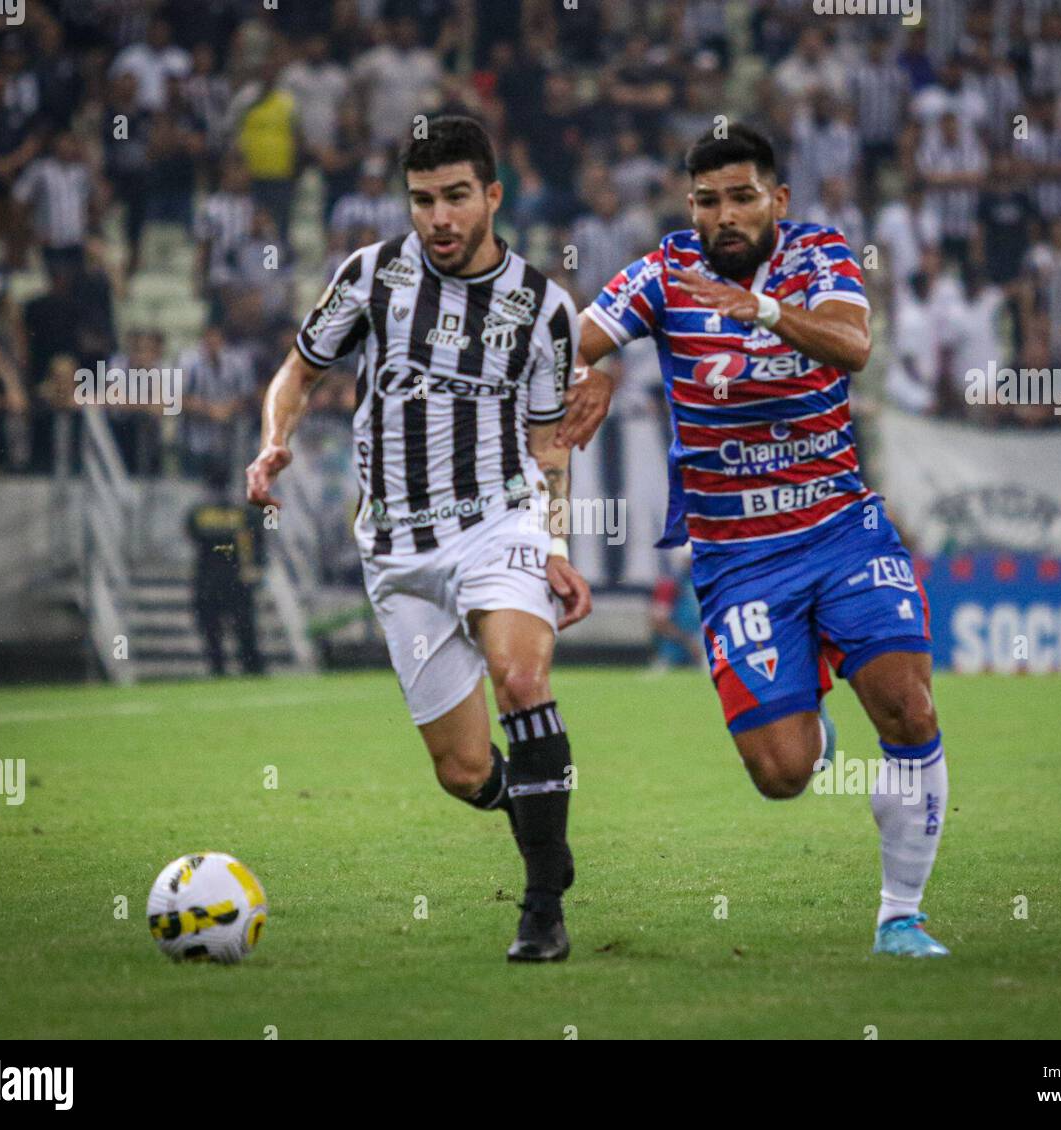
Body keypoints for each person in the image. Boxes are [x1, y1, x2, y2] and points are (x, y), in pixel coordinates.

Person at [559, 124, 951, 958]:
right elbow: (573, 340)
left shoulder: (820, 257)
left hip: (841, 526)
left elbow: (853, 347)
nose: (724, 215)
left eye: (742, 197)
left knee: (909, 708)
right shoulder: (664, 271)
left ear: (777, 200)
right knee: (782, 774)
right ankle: (809, 716)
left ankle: (901, 917)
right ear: (689, 206)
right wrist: (601, 366)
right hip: (739, 556)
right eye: (707, 201)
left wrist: (768, 310)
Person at [246, 117, 590, 962]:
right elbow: (297, 372)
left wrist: (556, 544)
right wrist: (272, 438)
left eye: (456, 197)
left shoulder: (543, 306)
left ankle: (541, 903)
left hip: (496, 524)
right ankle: (537, 821)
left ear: (493, 196)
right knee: (465, 772)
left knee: (520, 675)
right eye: (422, 200)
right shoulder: (371, 274)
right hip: (396, 551)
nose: (437, 217)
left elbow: (549, 445)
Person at [187, 460, 267, 677]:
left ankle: (218, 670)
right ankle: (252, 670)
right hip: (237, 577)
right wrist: (257, 567)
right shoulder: (243, 512)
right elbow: (259, 540)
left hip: (207, 578)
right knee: (245, 629)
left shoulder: (198, 513)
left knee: (212, 631)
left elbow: (194, 536)